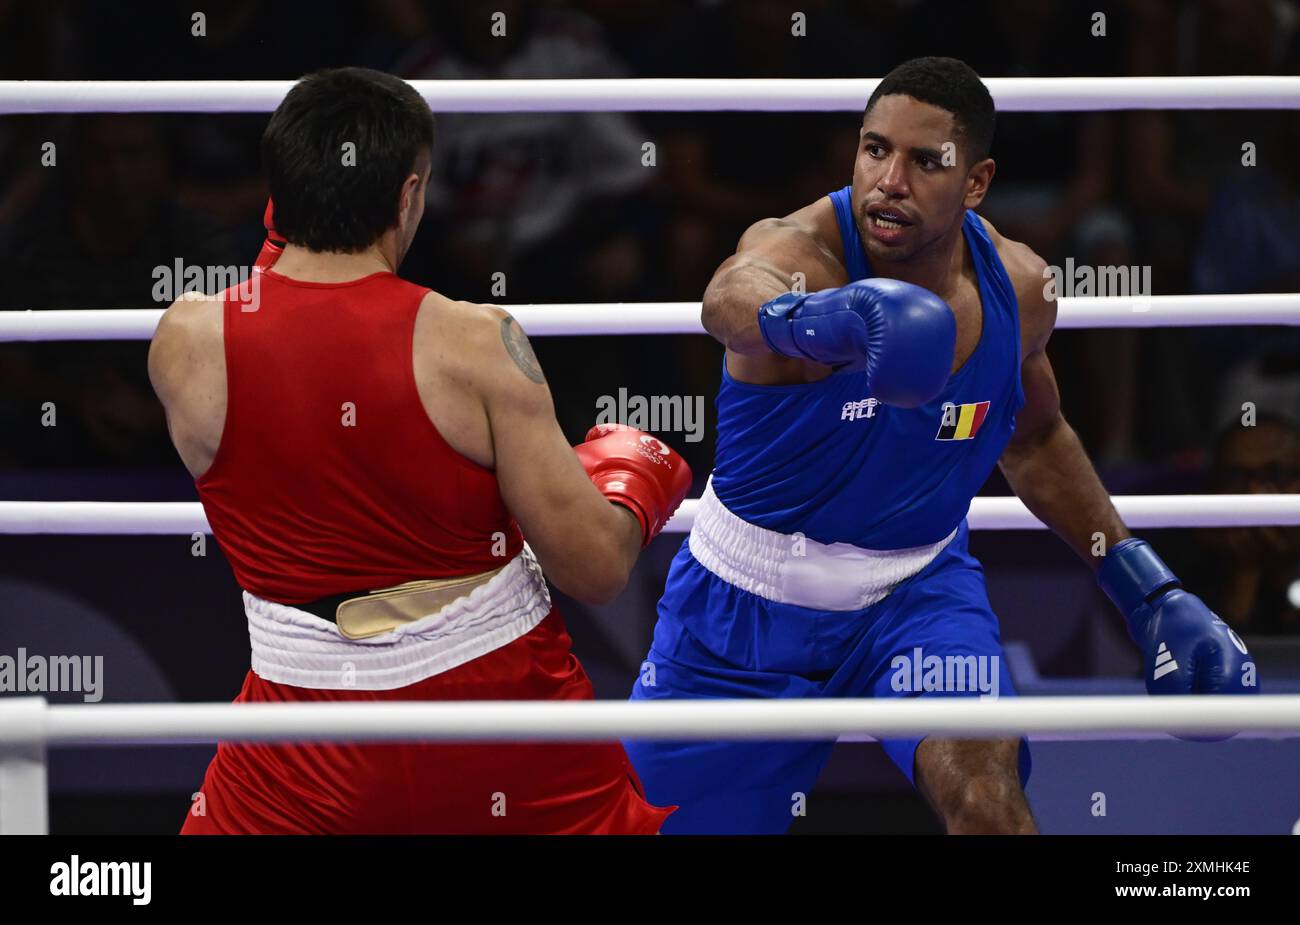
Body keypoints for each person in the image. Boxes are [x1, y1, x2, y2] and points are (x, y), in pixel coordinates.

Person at [623, 57, 1257, 835]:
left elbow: (1037, 435)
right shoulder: (804, 255)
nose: (889, 180)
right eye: (874, 149)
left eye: (927, 161)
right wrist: (824, 320)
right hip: (740, 611)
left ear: (978, 182)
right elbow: (729, 297)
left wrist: (1144, 586)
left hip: (916, 598)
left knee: (989, 804)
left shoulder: (1017, 288)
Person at [147, 67, 692, 834]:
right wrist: (634, 475)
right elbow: (593, 566)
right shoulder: (473, 342)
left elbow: (285, 342)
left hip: (299, 732)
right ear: (407, 197)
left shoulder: (186, 341)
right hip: (497, 714)